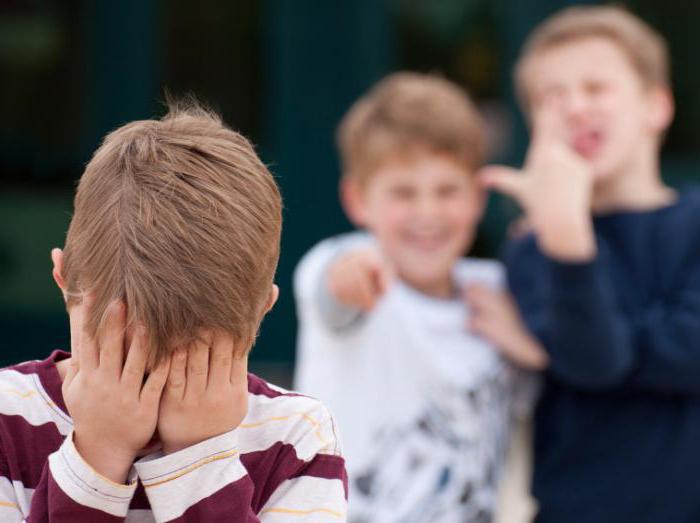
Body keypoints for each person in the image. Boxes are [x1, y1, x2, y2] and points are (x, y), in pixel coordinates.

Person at [0, 102, 347, 521]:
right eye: (125, 353)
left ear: (261, 311)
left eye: (187, 360)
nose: (147, 397)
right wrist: (97, 454)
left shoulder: (296, 438)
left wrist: (198, 461)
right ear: (63, 281)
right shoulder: (8, 420)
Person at [294, 72, 546, 523]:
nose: (426, 213)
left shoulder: (498, 291)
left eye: (447, 191)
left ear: (477, 198)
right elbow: (334, 289)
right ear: (357, 200)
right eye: (403, 193)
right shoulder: (345, 261)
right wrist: (352, 276)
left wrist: (529, 343)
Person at [482, 6, 700, 522]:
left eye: (596, 88)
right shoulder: (536, 247)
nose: (574, 107)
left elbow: (689, 351)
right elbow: (595, 360)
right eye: (550, 97)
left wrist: (550, 352)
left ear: (657, 107)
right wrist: (565, 233)